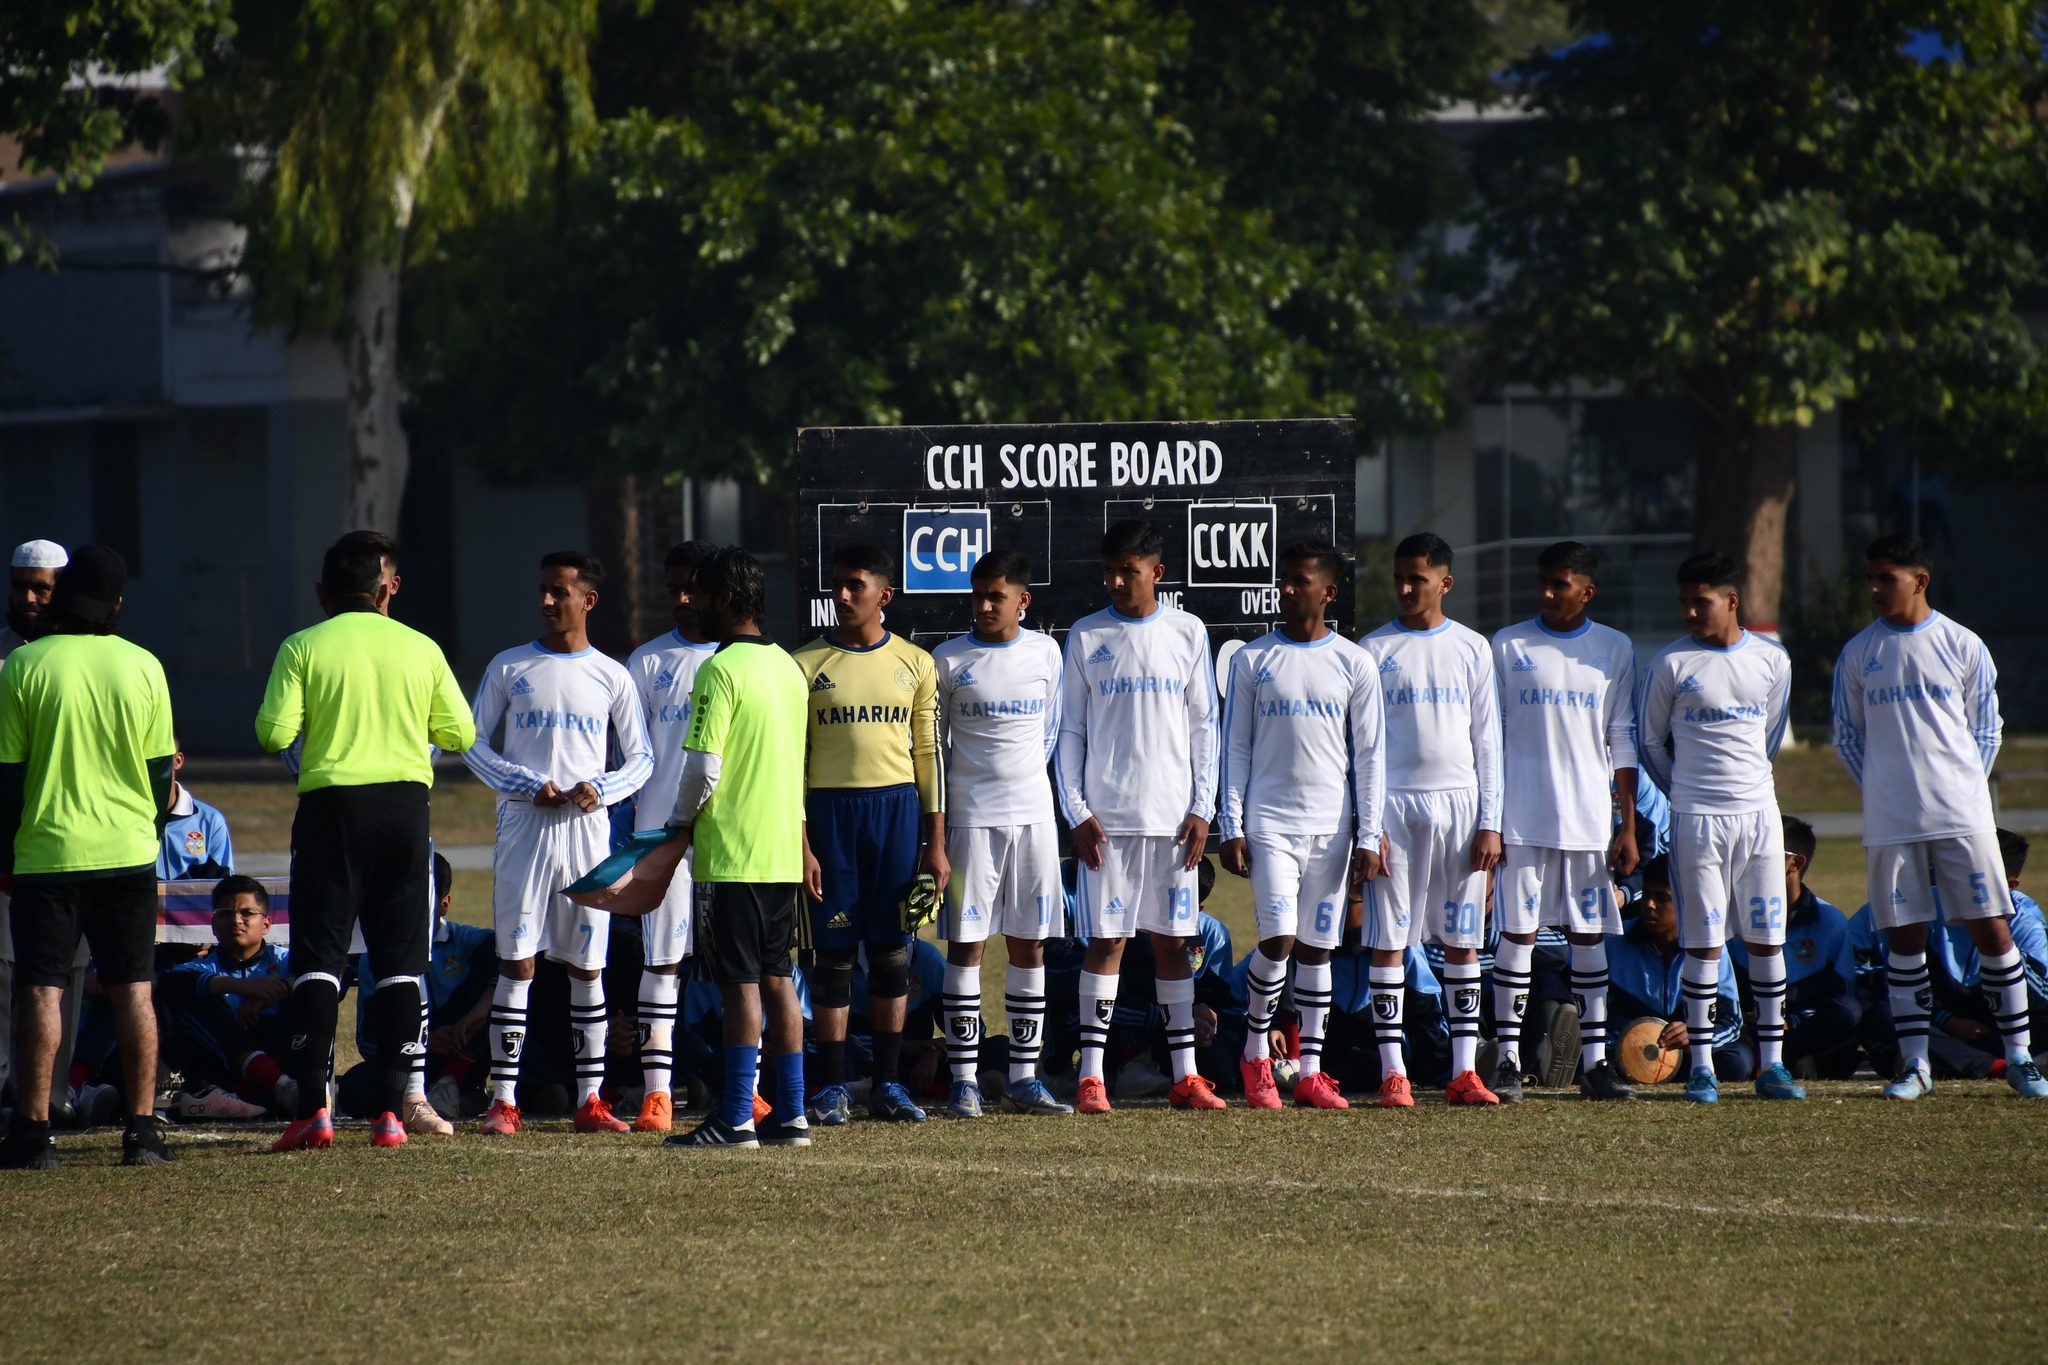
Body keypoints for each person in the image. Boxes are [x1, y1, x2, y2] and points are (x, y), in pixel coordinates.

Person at [254, 538, 476, 1151]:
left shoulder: (302, 645)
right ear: (385, 591)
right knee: (402, 964)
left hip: (331, 810)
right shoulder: (420, 646)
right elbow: (460, 730)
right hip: (406, 809)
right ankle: (389, 1115)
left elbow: (272, 731)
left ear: (322, 592)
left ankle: (313, 1114)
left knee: (320, 961)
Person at [1831, 533, 2045, 1099]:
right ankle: (1916, 1065)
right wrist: (1883, 790)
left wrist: (1959, 790)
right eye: (1870, 577)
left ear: (1919, 581)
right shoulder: (1859, 653)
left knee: (1993, 931)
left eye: (1887, 578)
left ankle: (2021, 1059)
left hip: (1962, 817)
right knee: (1904, 940)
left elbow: (1986, 728)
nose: (1875, 588)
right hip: (1891, 821)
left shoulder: (1962, 644)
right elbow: (1847, 735)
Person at [463, 550, 652, 1135]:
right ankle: (503, 1102)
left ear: (588, 600)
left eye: (559, 592)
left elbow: (641, 757)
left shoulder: (612, 675)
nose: (546, 601)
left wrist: (604, 786)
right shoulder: (509, 666)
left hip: (587, 835)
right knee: (517, 962)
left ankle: (590, 1101)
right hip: (524, 829)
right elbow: (468, 740)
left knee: (587, 967)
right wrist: (522, 783)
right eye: (542, 590)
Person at [0, 546, 175, 1168]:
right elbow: (160, 776)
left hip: (47, 853)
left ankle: (33, 1131)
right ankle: (143, 1131)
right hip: (128, 852)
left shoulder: (23, 665)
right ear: (118, 606)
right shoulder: (145, 666)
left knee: (41, 989)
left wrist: (8, 850)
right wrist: (142, 830)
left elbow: (9, 779)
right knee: (134, 990)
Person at [646, 546, 813, 1148]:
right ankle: (792, 1112)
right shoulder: (789, 669)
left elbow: (703, 768)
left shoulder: (719, 671)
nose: (689, 601)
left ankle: (737, 1114)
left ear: (727, 599)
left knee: (740, 983)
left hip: (733, 851)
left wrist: (677, 824)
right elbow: (794, 768)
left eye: (699, 591)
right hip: (778, 851)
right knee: (778, 979)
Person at [1056, 519, 1224, 1113]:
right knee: (1107, 943)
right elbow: (1068, 731)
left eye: (1129, 570)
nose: (1117, 581)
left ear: (1157, 572)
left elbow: (1205, 726)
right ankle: (1092, 1078)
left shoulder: (1188, 632)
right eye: (1110, 570)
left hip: (1173, 822)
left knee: (1175, 943)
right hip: (1108, 824)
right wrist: (1076, 811)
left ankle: (1186, 1075)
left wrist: (1204, 807)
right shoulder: (1085, 635)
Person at [1218, 540, 1384, 1111]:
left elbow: (1369, 757)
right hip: (1270, 824)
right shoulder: (1253, 659)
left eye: (1299, 582)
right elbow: (1234, 748)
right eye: (1283, 580)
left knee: (1316, 949)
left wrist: (1367, 834)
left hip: (1331, 829)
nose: (1287, 590)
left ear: (1328, 592)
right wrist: (1231, 824)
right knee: (1278, 941)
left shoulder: (1354, 663)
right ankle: (1256, 1055)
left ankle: (1311, 1070)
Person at [1636, 551, 1802, 1104]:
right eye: (1683, 601)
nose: (1689, 611)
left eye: (1699, 601)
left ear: (1731, 601)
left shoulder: (1771, 660)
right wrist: (1684, 791)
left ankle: (1772, 1066)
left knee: (1766, 938)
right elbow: (1650, 743)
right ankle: (1703, 1068)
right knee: (1704, 943)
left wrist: (1748, 785)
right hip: (1696, 819)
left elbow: (1770, 734)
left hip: (1758, 817)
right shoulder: (1670, 665)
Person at [793, 544, 947, 1125]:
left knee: (890, 954)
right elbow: (794, 763)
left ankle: (887, 1085)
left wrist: (935, 842)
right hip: (830, 817)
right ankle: (831, 1087)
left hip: (897, 814)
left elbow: (929, 755)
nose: (842, 595)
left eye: (856, 585)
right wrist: (802, 842)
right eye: (838, 585)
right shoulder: (804, 664)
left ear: (884, 595)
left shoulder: (916, 663)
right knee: (832, 957)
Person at [1488, 541, 1639, 1102]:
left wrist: (1626, 825)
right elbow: (1491, 735)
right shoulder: (1507, 644)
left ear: (1587, 591)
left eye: (1560, 585)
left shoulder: (1613, 648)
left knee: (1587, 935)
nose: (1548, 594)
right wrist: (1491, 817)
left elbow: (1621, 736)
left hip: (1586, 821)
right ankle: (1506, 1059)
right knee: (1517, 935)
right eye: (1543, 584)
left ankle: (1595, 1064)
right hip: (1522, 818)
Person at [1357, 532, 1503, 1107]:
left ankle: (1464, 1071)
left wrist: (1490, 821)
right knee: (1389, 941)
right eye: (1398, 578)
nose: (1405, 588)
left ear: (1445, 582)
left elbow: (1488, 741)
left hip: (1461, 809)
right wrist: (1370, 827)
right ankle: (1394, 1072)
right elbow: (1363, 750)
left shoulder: (1472, 647)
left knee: (1463, 942)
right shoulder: (1373, 649)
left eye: (1417, 578)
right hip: (1396, 808)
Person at [931, 550, 1071, 1117]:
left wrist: (1020, 788)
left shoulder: (1046, 652)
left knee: (1029, 943)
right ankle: (964, 1078)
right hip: (970, 819)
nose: (985, 606)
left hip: (1034, 818)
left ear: (1023, 600)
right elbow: (937, 752)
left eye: (997, 596)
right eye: (978, 595)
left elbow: (1050, 732)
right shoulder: (945, 659)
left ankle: (1024, 1075)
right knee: (966, 946)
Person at [621, 540, 721, 1131]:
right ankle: (658, 1093)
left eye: (693, 587)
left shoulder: (745, 659)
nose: (682, 600)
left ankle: (747, 1087)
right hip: (662, 834)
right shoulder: (647, 661)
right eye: (673, 589)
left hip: (733, 835)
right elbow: (632, 757)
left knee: (742, 966)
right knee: (662, 961)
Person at [339, 853, 496, 1129]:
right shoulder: (372, 956)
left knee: (503, 963)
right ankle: (455, 1099)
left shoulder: (468, 942)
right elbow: (368, 1039)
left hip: (461, 1048)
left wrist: (479, 1011)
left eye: (421, 897)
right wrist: (424, 1043)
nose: (409, 906)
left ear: (444, 904)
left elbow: (514, 961)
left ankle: (452, 1083)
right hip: (406, 1057)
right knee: (354, 1087)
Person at [1, 539, 73, 1113]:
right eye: (21, 585)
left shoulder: (78, 656)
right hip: (10, 838)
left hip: (62, 839)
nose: (29, 598)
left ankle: (55, 1092)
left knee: (60, 978)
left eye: (42, 587)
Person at [1727, 816, 1861, 1078]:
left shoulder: (1830, 921)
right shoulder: (1737, 915)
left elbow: (1843, 997)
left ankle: (1785, 1058)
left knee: (1849, 1013)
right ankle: (1784, 1062)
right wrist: (1743, 1017)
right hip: (1750, 1027)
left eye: (1764, 855)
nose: (1752, 864)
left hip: (1803, 1027)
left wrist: (1795, 1020)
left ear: (1795, 863)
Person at [156, 876, 295, 1118]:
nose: (236, 920)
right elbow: (170, 982)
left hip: (281, 1050)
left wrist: (273, 992)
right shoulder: (200, 967)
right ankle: (277, 1089)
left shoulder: (284, 960)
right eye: (225, 913)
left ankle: (269, 1090)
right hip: (222, 1062)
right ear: (212, 924)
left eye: (247, 913)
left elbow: (332, 970)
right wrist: (245, 987)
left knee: (310, 988)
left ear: (266, 924)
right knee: (195, 995)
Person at [1606, 857, 1748, 1082]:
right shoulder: (1614, 941)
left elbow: (1731, 1020)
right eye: (1647, 895)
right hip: (1626, 1050)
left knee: (1736, 1062)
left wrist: (1697, 1036)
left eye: (1663, 898)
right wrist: (1627, 1042)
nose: (1650, 905)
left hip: (1689, 1054)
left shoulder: (1710, 946)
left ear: (1686, 902)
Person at [158, 735, 235, 880]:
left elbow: (223, 889)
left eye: (161, 757)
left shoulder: (210, 821)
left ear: (178, 761)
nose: (154, 765)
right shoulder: (127, 819)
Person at [0, 539, 66, 660]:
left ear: (62, 590)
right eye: (20, 587)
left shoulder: (78, 651)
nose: (28, 598)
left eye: (40, 589)